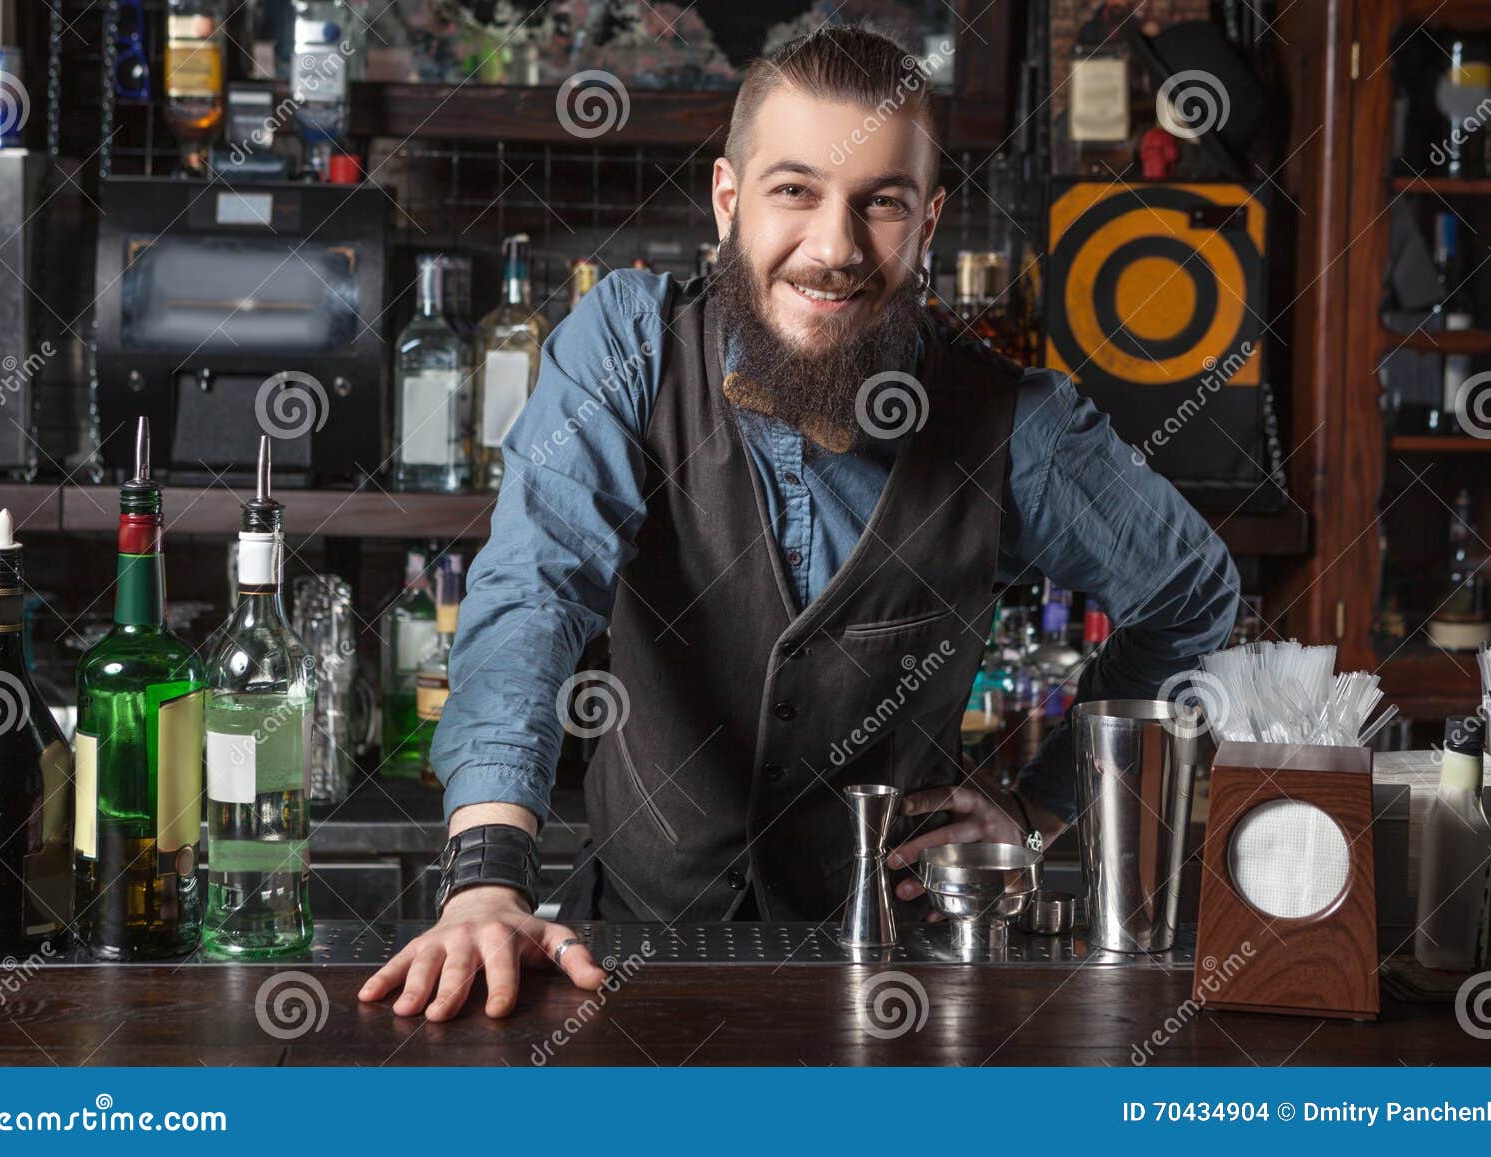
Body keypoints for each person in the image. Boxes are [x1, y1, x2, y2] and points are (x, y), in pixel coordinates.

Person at [359, 23, 1238, 1022]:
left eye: (881, 204)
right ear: (728, 199)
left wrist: (1039, 810)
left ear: (929, 221)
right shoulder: (629, 347)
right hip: (636, 957)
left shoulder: (1013, 422)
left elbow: (1192, 594)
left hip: (898, 978)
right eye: (794, 191)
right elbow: (533, 588)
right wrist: (486, 875)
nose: (833, 247)